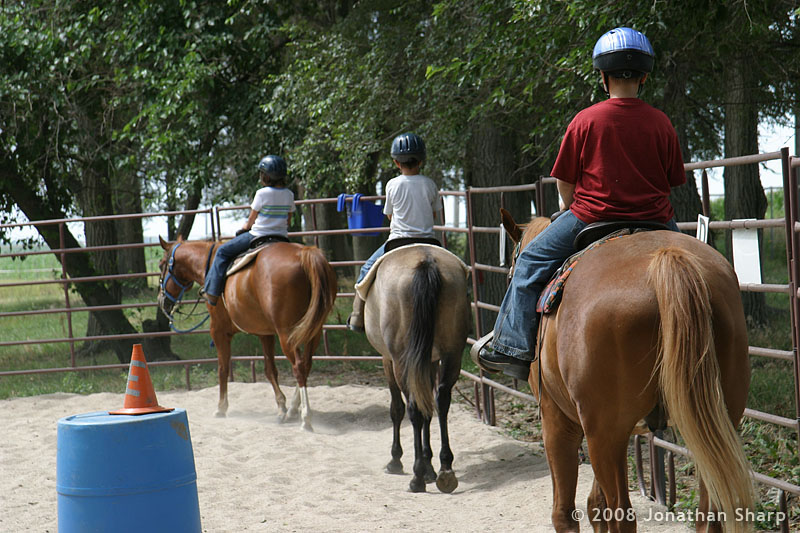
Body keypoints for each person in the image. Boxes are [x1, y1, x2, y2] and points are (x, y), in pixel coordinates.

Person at [475, 27, 686, 380]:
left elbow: (566, 181)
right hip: (656, 222)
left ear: (603, 77)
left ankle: (511, 348)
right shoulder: (662, 123)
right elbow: (671, 181)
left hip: (592, 217)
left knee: (529, 260)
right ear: (644, 76)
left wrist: (572, 207)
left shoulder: (586, 120)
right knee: (702, 267)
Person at [346, 132, 443, 331]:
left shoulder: (392, 185)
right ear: (421, 161)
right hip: (428, 242)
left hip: (398, 242)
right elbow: (435, 215)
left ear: (396, 163)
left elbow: (389, 215)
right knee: (458, 270)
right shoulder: (430, 184)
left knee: (366, 270)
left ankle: (357, 315)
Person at [200, 154, 295, 306]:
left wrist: (242, 229)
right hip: (281, 237)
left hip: (258, 235)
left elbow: (250, 222)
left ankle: (211, 292)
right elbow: (288, 220)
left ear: (266, 176)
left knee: (222, 251)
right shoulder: (289, 194)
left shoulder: (262, 193)